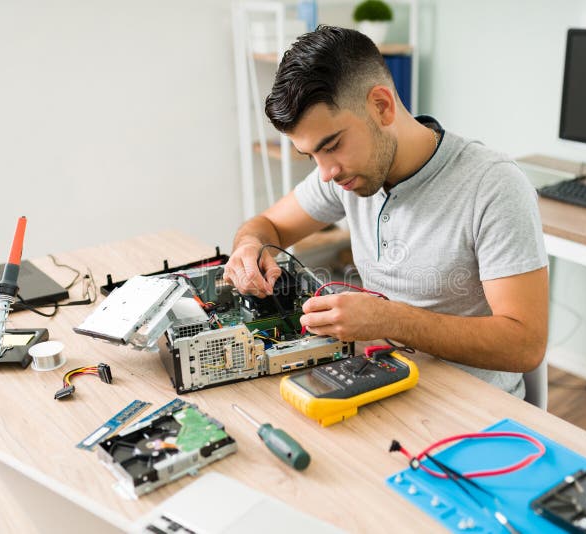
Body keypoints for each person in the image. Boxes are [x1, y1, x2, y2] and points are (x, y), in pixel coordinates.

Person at [223, 26, 548, 397]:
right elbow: (268, 226)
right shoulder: (345, 175)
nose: (325, 171)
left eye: (332, 145)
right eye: (311, 155)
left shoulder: (493, 186)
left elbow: (525, 345)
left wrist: (391, 320)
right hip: (382, 385)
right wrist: (248, 247)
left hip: (473, 413)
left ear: (382, 105)